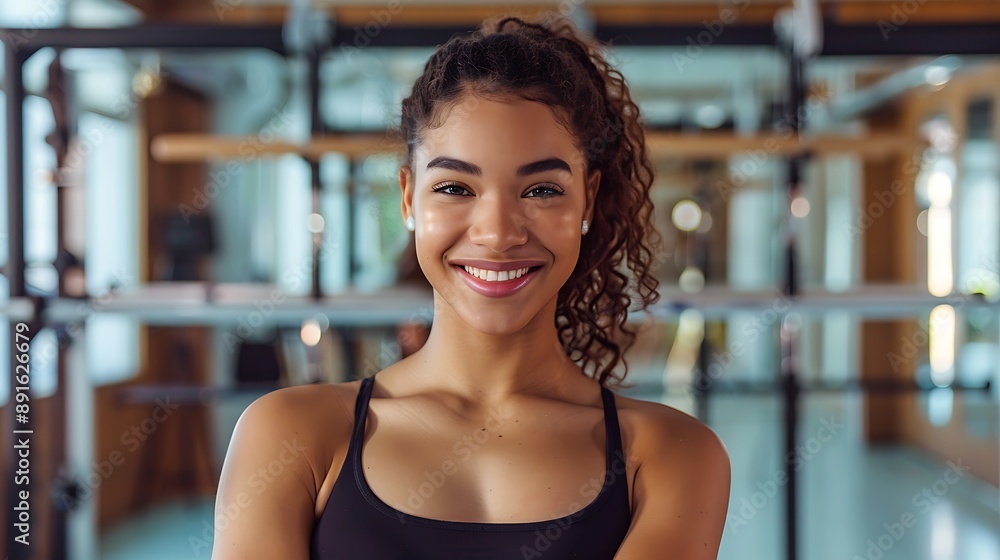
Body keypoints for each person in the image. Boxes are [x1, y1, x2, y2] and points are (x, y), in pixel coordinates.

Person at [212, 13, 730, 560]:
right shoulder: (289, 434)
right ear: (408, 198)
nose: (499, 234)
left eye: (542, 190)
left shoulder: (672, 454)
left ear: (588, 199)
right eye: (456, 187)